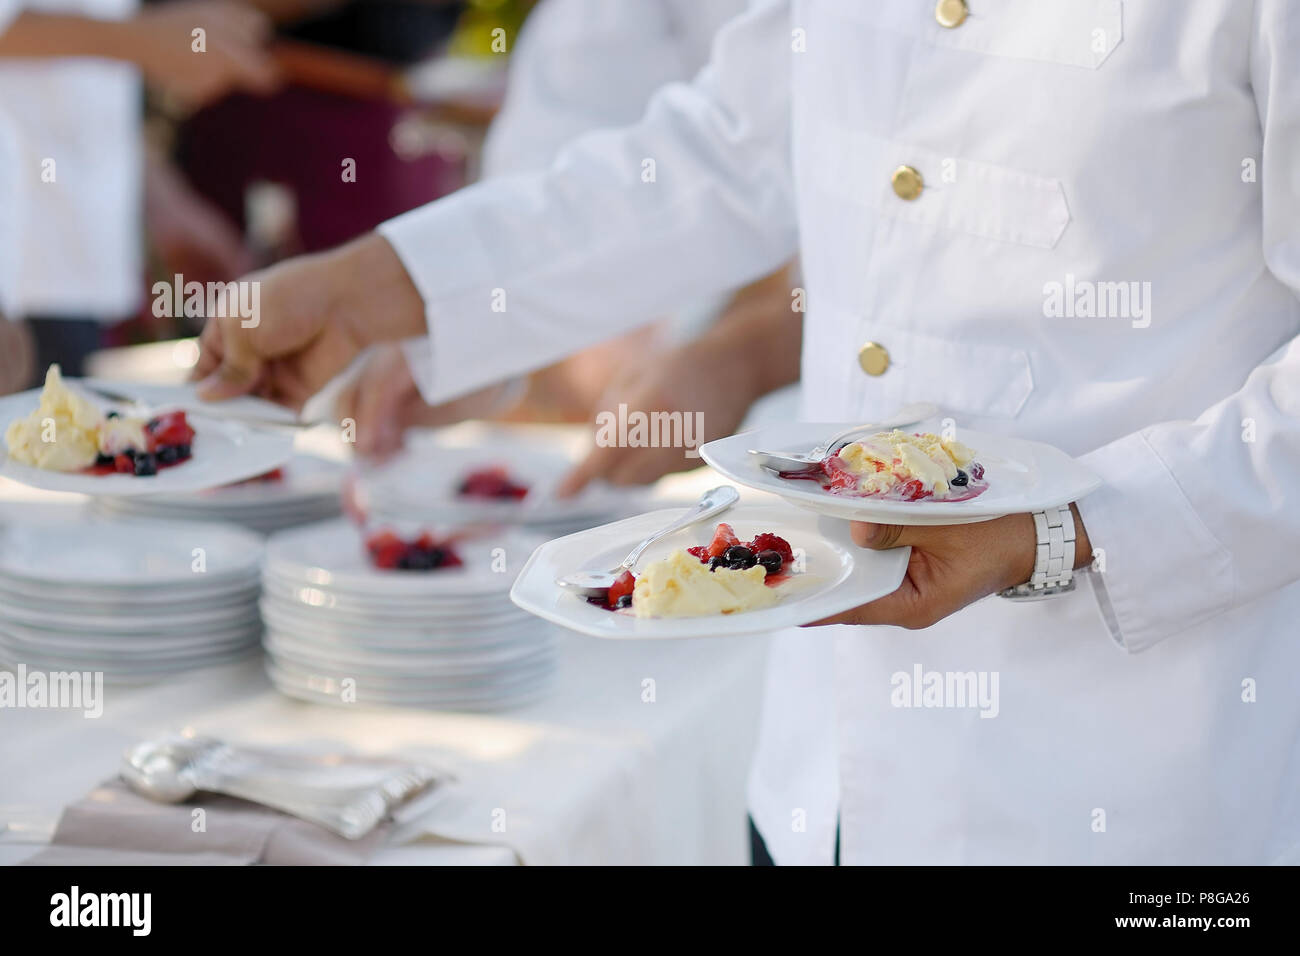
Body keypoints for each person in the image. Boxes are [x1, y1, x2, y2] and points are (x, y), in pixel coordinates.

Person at [194, 1, 1300, 864]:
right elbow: (716, 154)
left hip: (1126, 788)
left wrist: (1062, 529)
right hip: (819, 769)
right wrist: (380, 285)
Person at [332, 0, 801, 490]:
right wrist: (477, 325)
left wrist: (741, 357)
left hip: (791, 434)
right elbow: (559, 170)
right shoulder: (582, 22)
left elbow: (756, 173)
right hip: (616, 423)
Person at [0, 0, 279, 384]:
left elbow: (78, 91)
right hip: (21, 278)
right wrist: (145, 39)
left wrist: (163, 201)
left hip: (73, 272)